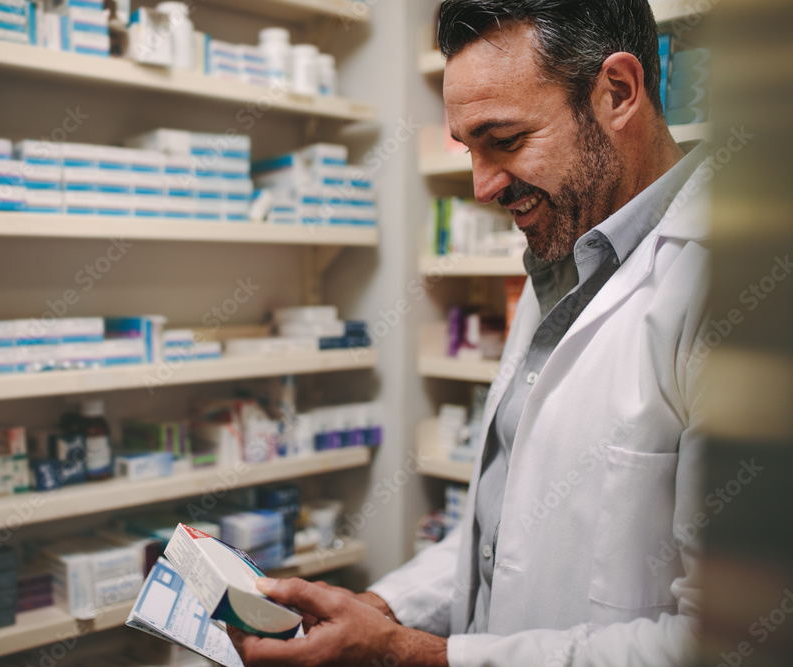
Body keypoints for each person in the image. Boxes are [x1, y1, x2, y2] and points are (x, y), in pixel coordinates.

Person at [229, 0, 712, 665]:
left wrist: (410, 652)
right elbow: (506, 537)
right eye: (469, 147)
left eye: (505, 140)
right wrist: (378, 610)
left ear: (617, 93)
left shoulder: (728, 292)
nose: (482, 185)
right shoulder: (558, 261)